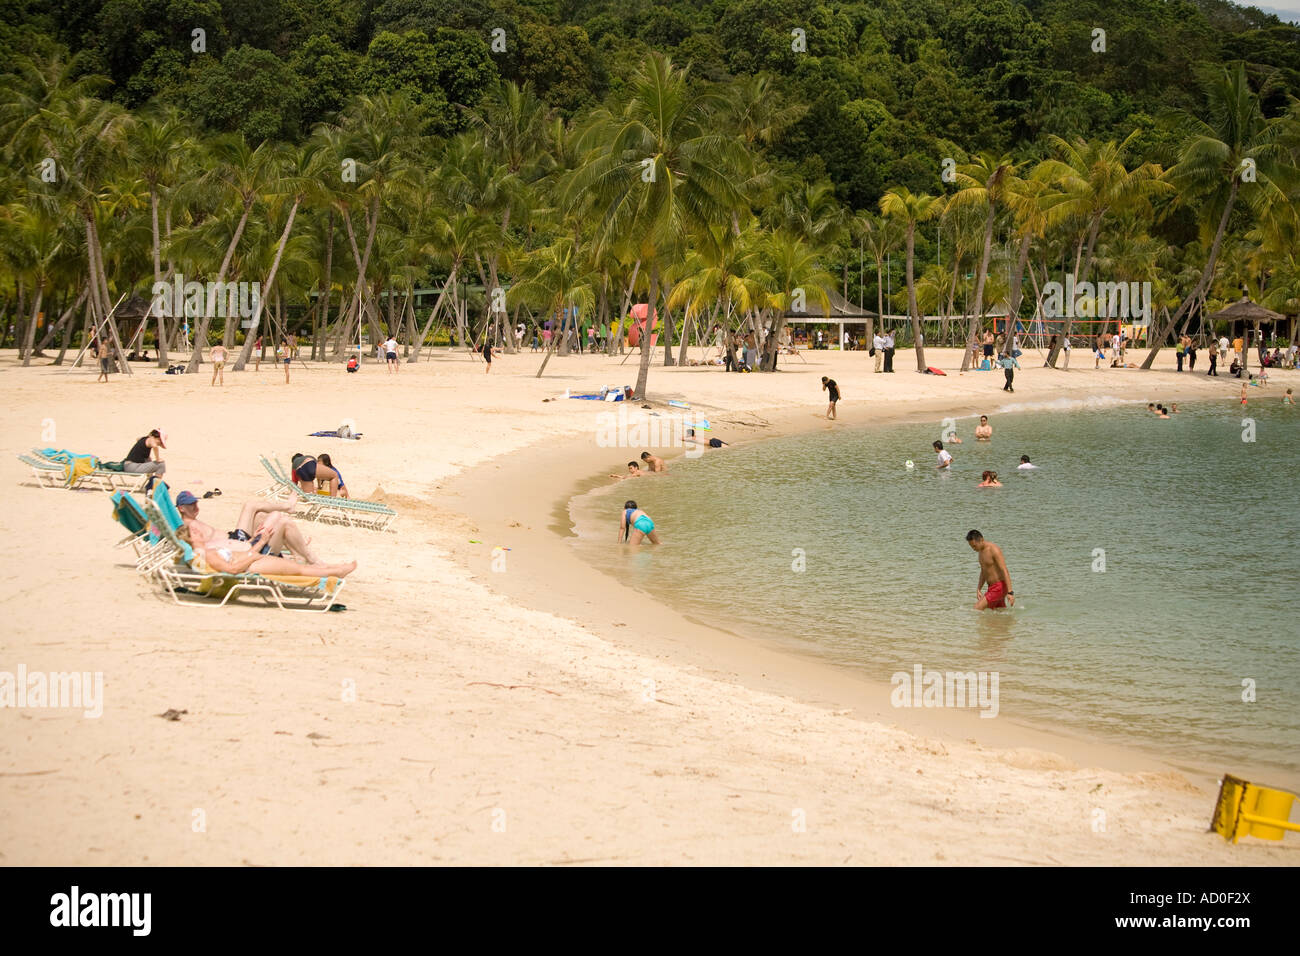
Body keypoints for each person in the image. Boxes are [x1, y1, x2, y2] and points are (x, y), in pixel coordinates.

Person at [175, 489, 324, 564]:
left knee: (257, 513)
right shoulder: (189, 527)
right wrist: (252, 542)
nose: (196, 507)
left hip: (237, 538)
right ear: (181, 508)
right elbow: (201, 547)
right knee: (279, 518)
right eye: (191, 505)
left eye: (195, 503)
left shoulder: (191, 523)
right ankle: (304, 552)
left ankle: (297, 548)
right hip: (240, 544)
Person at [176, 523, 356, 579]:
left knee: (295, 567)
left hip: (252, 560)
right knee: (298, 570)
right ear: (189, 539)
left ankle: (334, 569)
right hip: (251, 566)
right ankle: (336, 572)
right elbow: (231, 570)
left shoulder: (208, 549)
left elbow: (238, 557)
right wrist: (252, 557)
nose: (197, 530)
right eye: (193, 531)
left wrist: (261, 542)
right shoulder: (205, 554)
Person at [967, 529, 1014, 610]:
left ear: (981, 540)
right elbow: (983, 571)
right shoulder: (980, 552)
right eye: (971, 547)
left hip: (999, 587)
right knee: (997, 615)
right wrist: (979, 588)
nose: (973, 549)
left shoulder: (993, 549)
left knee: (976, 608)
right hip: (992, 587)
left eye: (974, 546)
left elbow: (1004, 570)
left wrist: (1010, 592)